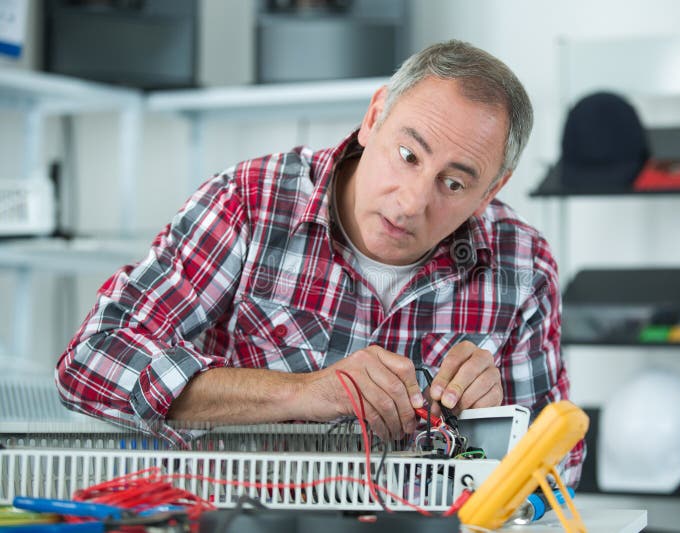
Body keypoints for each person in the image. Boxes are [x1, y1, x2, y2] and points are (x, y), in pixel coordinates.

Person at [56, 40, 584, 485]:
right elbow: (90, 362)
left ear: (492, 189)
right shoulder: (249, 201)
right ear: (374, 118)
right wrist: (304, 392)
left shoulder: (523, 264)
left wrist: (496, 426)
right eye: (408, 155)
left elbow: (558, 470)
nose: (411, 202)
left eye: (454, 183)